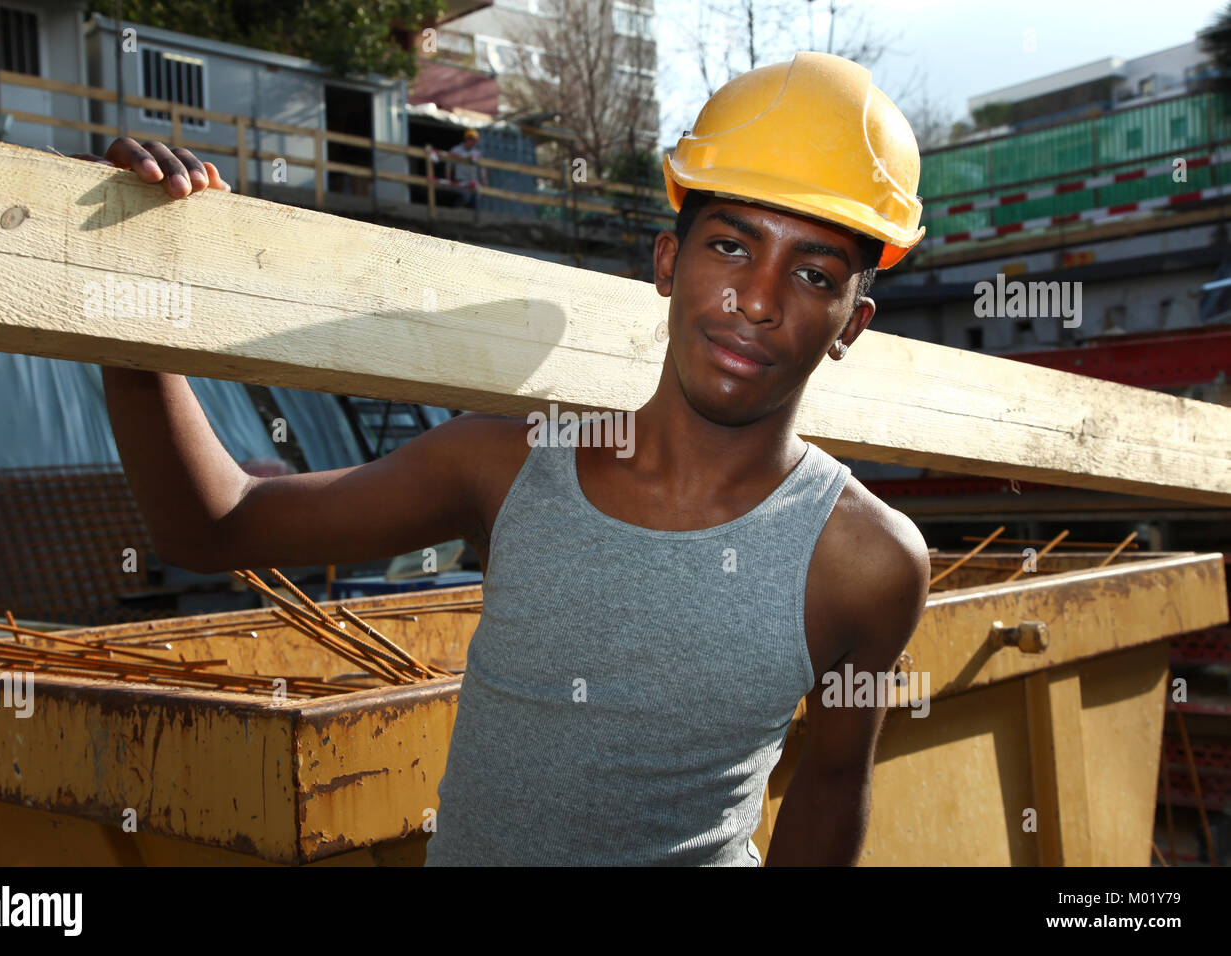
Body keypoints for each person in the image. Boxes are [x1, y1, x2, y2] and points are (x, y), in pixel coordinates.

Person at [78, 50, 930, 866]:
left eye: (816, 275)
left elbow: (832, 778)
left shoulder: (865, 560)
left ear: (852, 324)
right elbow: (214, 525)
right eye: (731, 247)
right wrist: (135, 310)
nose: (758, 299)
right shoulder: (509, 465)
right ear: (668, 262)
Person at [445, 129, 485, 209]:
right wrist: (448, 179)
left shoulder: (477, 153)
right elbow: (448, 165)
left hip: (474, 180)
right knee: (465, 197)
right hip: (461, 179)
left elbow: (482, 168)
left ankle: (474, 220)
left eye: (475, 141)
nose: (473, 143)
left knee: (475, 200)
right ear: (466, 139)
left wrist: (484, 180)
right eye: (472, 140)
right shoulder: (456, 150)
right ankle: (454, 211)